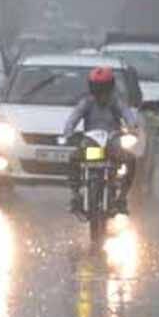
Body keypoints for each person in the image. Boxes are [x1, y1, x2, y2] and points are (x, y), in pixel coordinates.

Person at [61, 66, 138, 213]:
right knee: (73, 159)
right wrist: (68, 133)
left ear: (110, 86)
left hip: (112, 149)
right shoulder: (87, 102)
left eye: (103, 87)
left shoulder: (116, 102)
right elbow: (73, 118)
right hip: (92, 148)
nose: (100, 91)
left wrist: (132, 128)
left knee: (131, 160)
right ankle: (76, 196)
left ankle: (121, 198)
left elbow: (128, 115)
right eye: (97, 87)